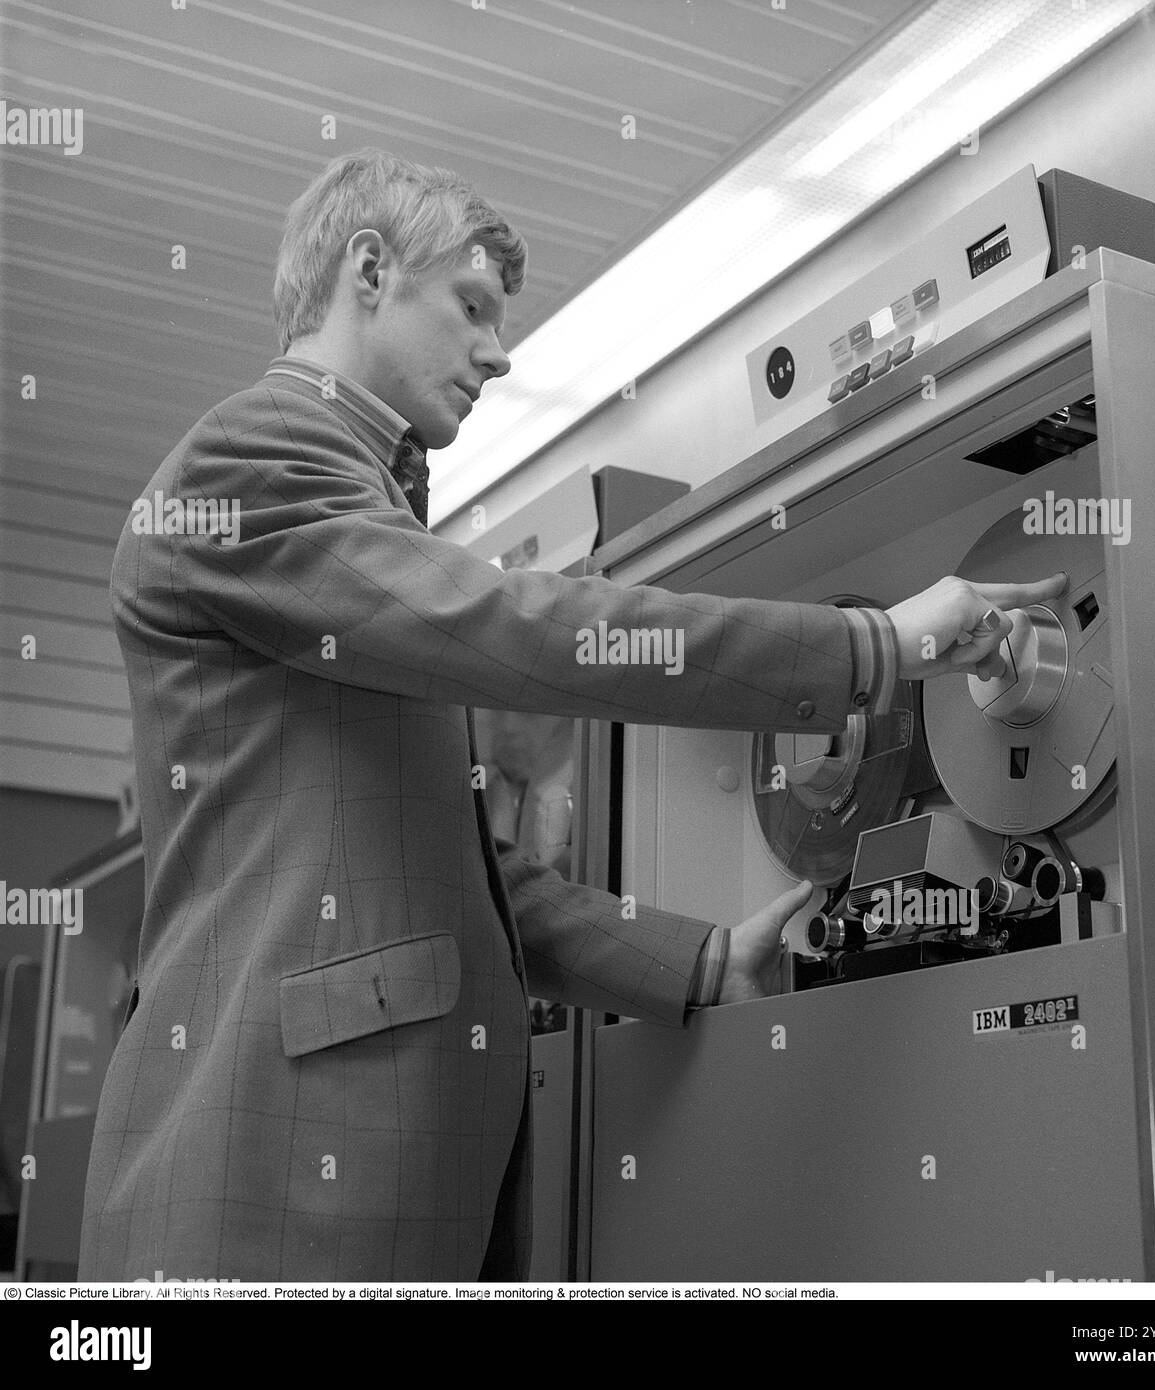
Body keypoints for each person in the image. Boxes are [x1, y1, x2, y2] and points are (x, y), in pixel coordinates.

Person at [78, 149, 1066, 1283]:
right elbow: (529, 630)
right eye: (475, 307)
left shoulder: (357, 512)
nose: (499, 353)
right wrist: (877, 647)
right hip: (272, 1178)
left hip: (358, 1175)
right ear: (368, 270)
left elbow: (465, 871)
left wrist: (696, 961)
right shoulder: (253, 459)